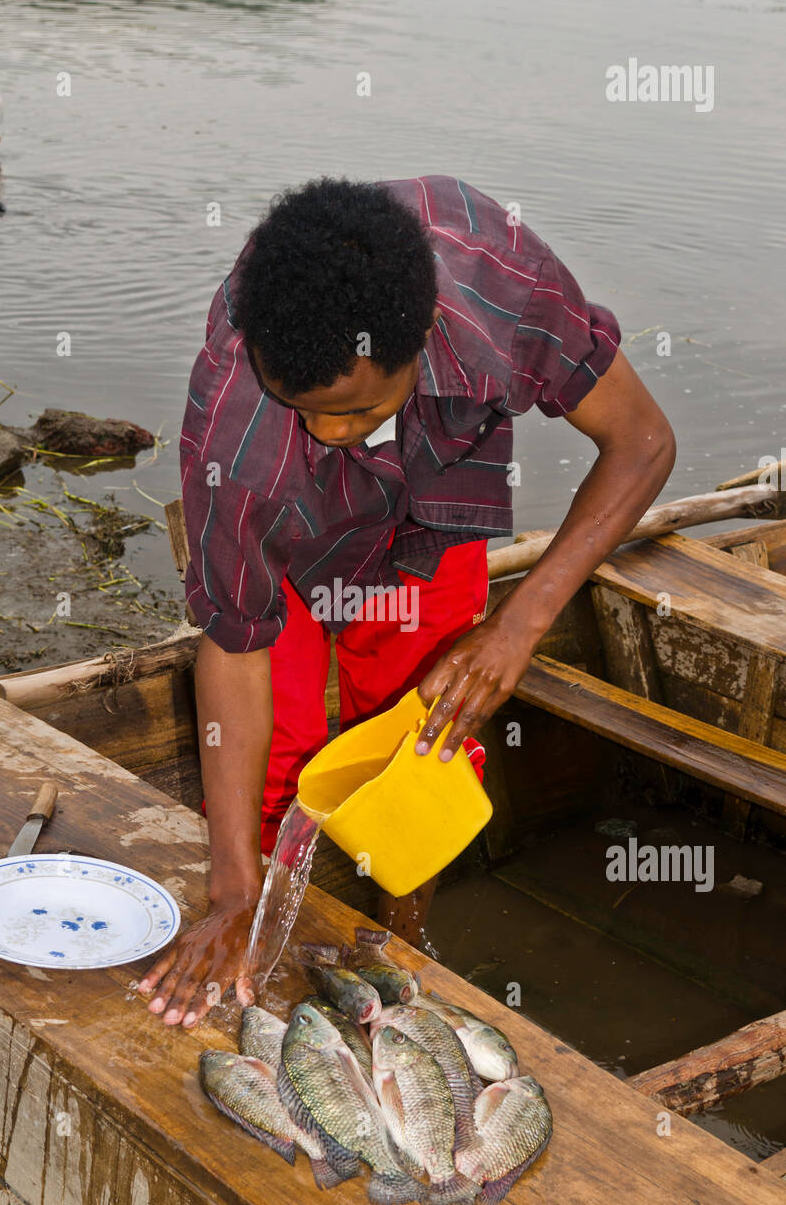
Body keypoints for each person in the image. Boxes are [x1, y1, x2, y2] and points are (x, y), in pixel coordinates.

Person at [139, 175, 675, 1028]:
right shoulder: (239, 434)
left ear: (424, 337)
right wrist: (229, 890)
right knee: (279, 754)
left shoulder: (505, 284)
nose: (330, 433)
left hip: (436, 490)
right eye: (305, 408)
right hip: (291, 517)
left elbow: (641, 443)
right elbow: (236, 644)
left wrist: (517, 626)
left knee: (422, 728)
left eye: (354, 410)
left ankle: (402, 949)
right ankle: (268, 935)